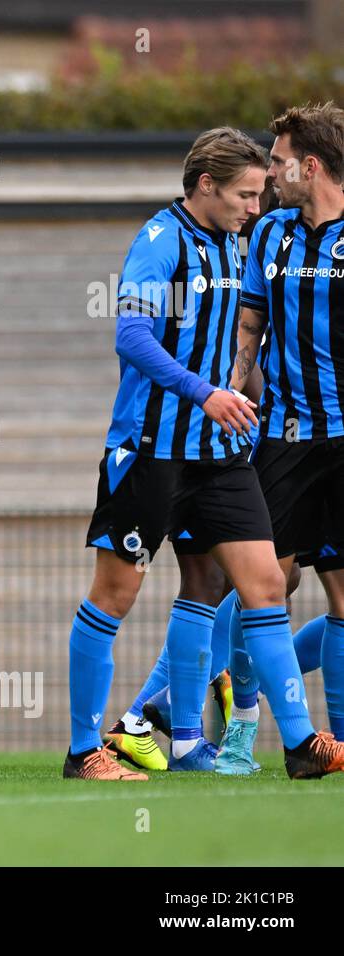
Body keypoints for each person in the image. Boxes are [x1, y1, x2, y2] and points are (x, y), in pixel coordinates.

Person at [62, 127, 295, 781]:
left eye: (261, 193)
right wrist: (206, 393)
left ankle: (196, 740)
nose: (256, 206)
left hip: (217, 454)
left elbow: (235, 349)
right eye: (246, 194)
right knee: (115, 594)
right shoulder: (160, 243)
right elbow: (132, 337)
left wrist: (250, 400)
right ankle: (85, 752)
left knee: (255, 583)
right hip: (150, 450)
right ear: (204, 186)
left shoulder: (235, 245)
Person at [216, 102, 344, 778]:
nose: (269, 173)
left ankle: (338, 744)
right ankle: (239, 728)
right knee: (264, 582)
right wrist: (235, 396)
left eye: (278, 160)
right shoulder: (270, 238)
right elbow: (250, 330)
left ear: (311, 165)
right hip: (286, 438)